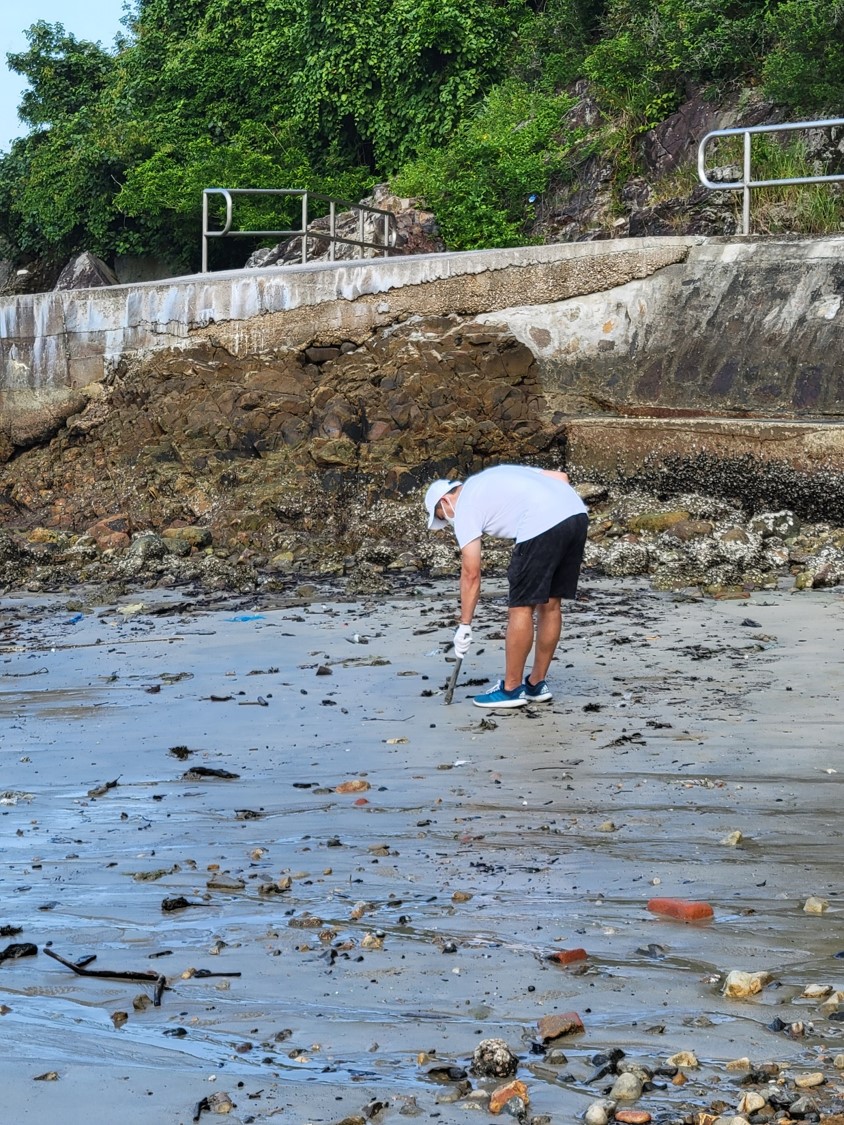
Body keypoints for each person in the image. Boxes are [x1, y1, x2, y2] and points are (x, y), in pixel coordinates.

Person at [424, 464, 588, 708]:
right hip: (576, 515)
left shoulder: (466, 504)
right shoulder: (496, 474)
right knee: (551, 605)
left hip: (541, 523)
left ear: (445, 501)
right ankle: (536, 684)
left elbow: (471, 573)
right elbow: (561, 477)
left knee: (521, 606)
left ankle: (511, 689)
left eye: (441, 517)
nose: (447, 523)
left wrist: (465, 625)